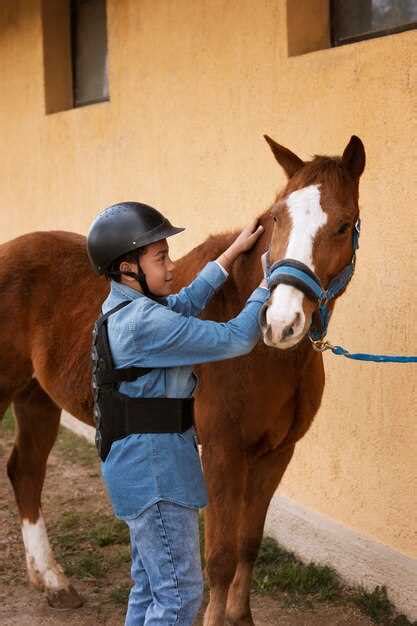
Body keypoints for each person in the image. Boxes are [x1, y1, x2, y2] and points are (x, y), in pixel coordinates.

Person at [86, 201, 269, 626]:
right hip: (156, 477)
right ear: (128, 268)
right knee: (180, 596)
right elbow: (237, 338)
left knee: (150, 586)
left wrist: (230, 254)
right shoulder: (144, 324)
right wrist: (268, 280)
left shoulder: (127, 309)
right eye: (161, 258)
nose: (172, 267)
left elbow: (185, 302)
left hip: (138, 468)